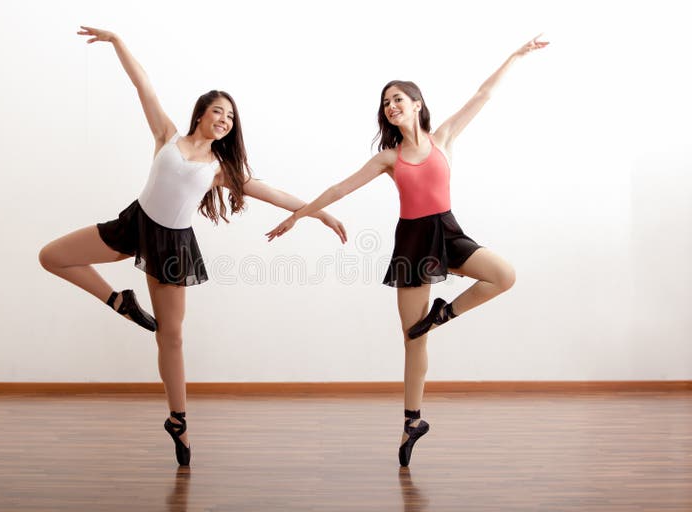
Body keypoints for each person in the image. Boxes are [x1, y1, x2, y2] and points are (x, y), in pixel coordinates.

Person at [38, 27, 346, 466]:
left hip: (172, 246)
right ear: (201, 113)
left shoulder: (221, 168)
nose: (224, 120)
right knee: (51, 256)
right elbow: (142, 83)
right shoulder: (166, 135)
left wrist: (318, 212)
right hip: (134, 223)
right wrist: (118, 42)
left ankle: (178, 422)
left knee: (172, 337)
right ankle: (119, 300)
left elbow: (275, 193)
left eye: (231, 117)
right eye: (218, 111)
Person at [266, 35, 549, 466]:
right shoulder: (388, 157)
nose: (391, 106)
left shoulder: (444, 137)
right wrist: (300, 215)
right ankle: (412, 421)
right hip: (414, 242)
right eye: (385, 103)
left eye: (398, 98)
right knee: (413, 340)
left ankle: (444, 313)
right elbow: (340, 187)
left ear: (417, 103)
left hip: (448, 232)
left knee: (503, 275)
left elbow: (483, 94)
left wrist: (516, 55)